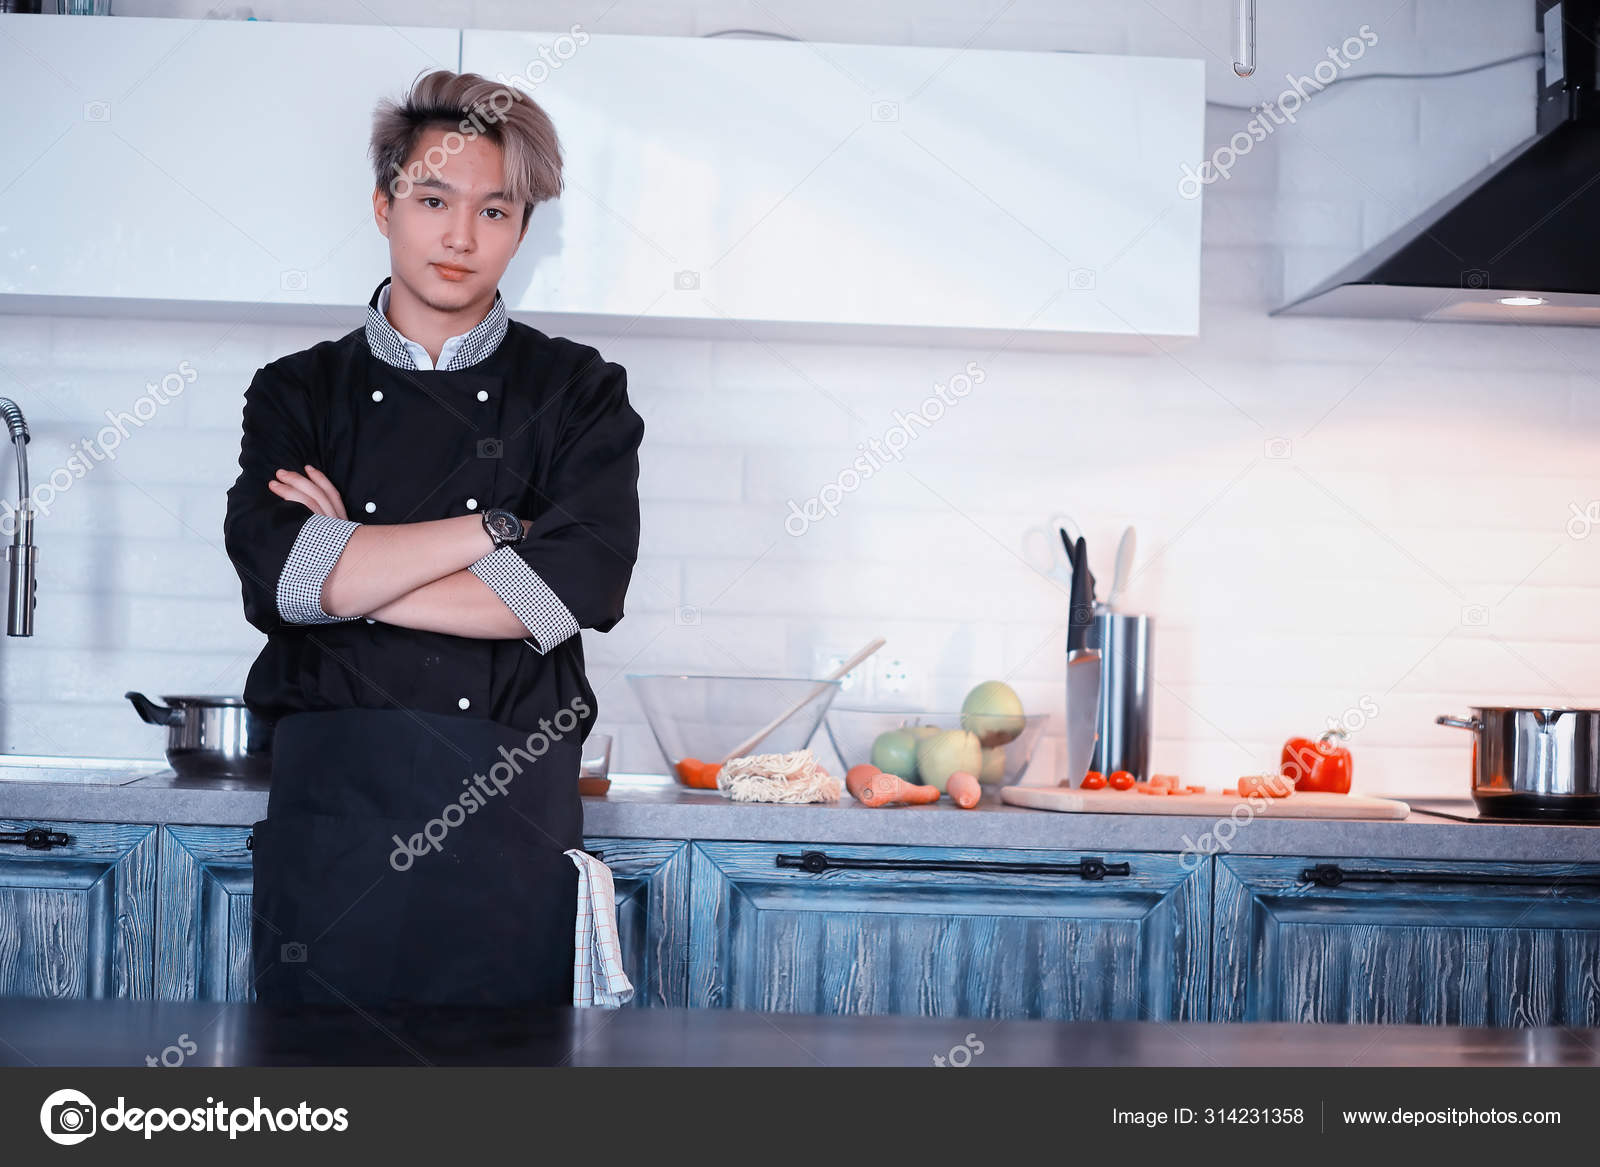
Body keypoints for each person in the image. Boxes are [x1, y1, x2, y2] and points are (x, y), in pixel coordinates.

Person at [223, 68, 643, 1008]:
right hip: (333, 811)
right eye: (433, 199)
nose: (460, 236)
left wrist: (350, 569)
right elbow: (281, 578)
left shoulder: (580, 392)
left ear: (524, 230)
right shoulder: (297, 392)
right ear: (384, 206)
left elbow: (562, 595)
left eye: (495, 211)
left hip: (508, 814)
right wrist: (491, 532)